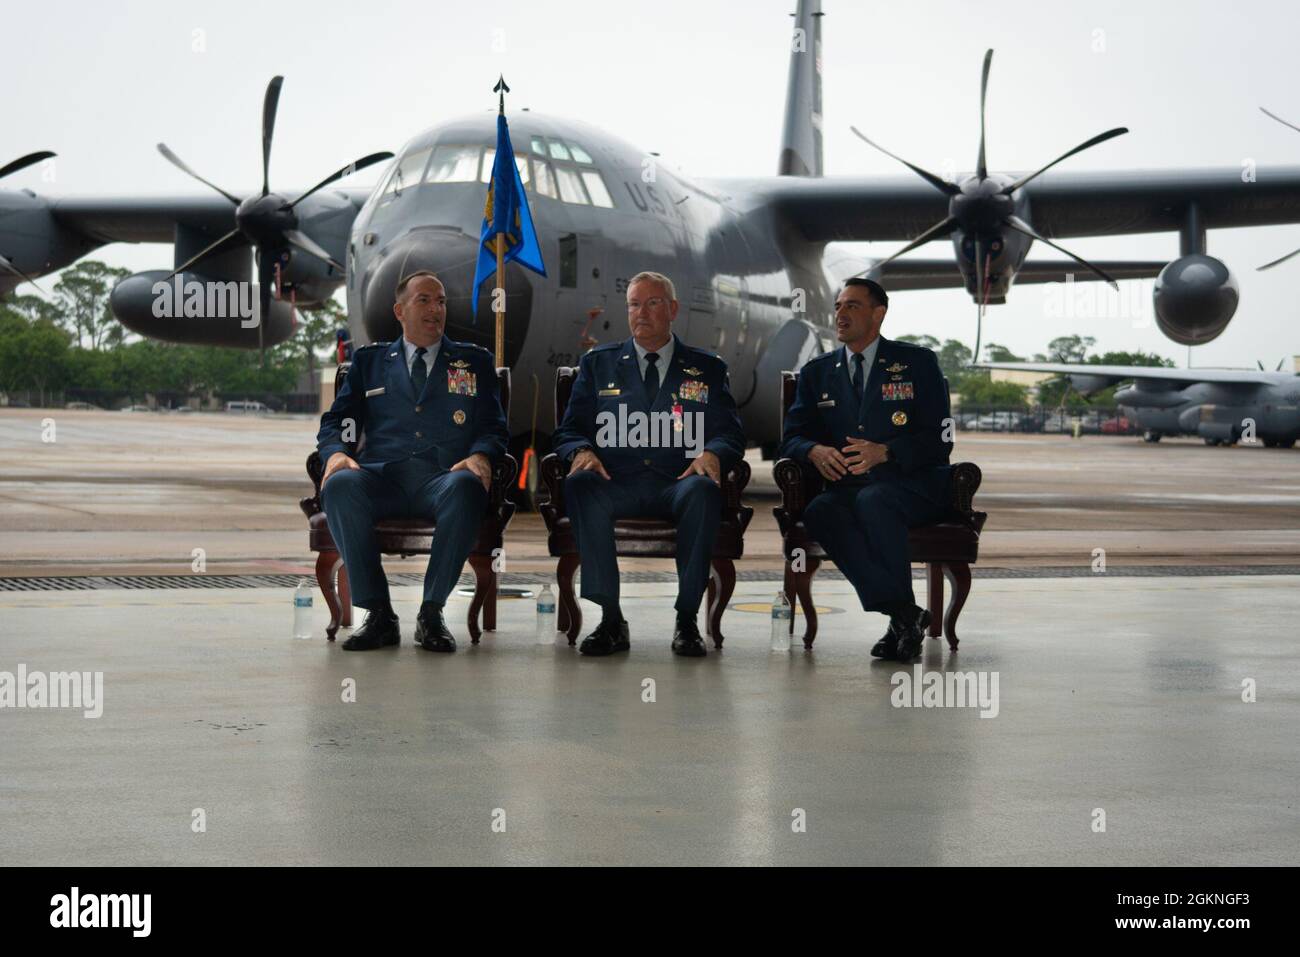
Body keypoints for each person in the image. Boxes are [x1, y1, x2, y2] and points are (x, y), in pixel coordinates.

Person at [552, 271, 746, 657]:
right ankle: (610, 619)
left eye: (652, 303)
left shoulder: (706, 368)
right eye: (634, 304)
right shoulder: (598, 365)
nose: (641, 313)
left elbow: (730, 434)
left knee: (705, 492)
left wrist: (712, 453)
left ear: (672, 309)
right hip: (616, 481)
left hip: (679, 481)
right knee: (578, 484)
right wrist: (581, 451)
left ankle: (687, 619)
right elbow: (569, 430)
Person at [316, 271, 508, 652]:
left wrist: (481, 455)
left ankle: (431, 613)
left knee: (467, 486)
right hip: (381, 478)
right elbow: (337, 420)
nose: (435, 309)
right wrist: (336, 452)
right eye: (424, 300)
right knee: (340, 485)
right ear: (399, 310)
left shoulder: (472, 362)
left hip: (442, 478)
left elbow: (493, 425)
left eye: (440, 302)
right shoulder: (370, 362)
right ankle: (380, 614)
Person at [778, 278, 953, 661]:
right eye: (838, 306)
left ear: (879, 313)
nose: (840, 314)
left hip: (913, 485)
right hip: (847, 488)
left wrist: (886, 451)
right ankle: (904, 614)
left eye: (853, 306)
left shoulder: (917, 363)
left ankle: (899, 620)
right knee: (820, 511)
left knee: (876, 500)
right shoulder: (816, 372)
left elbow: (940, 439)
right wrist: (814, 450)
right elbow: (791, 437)